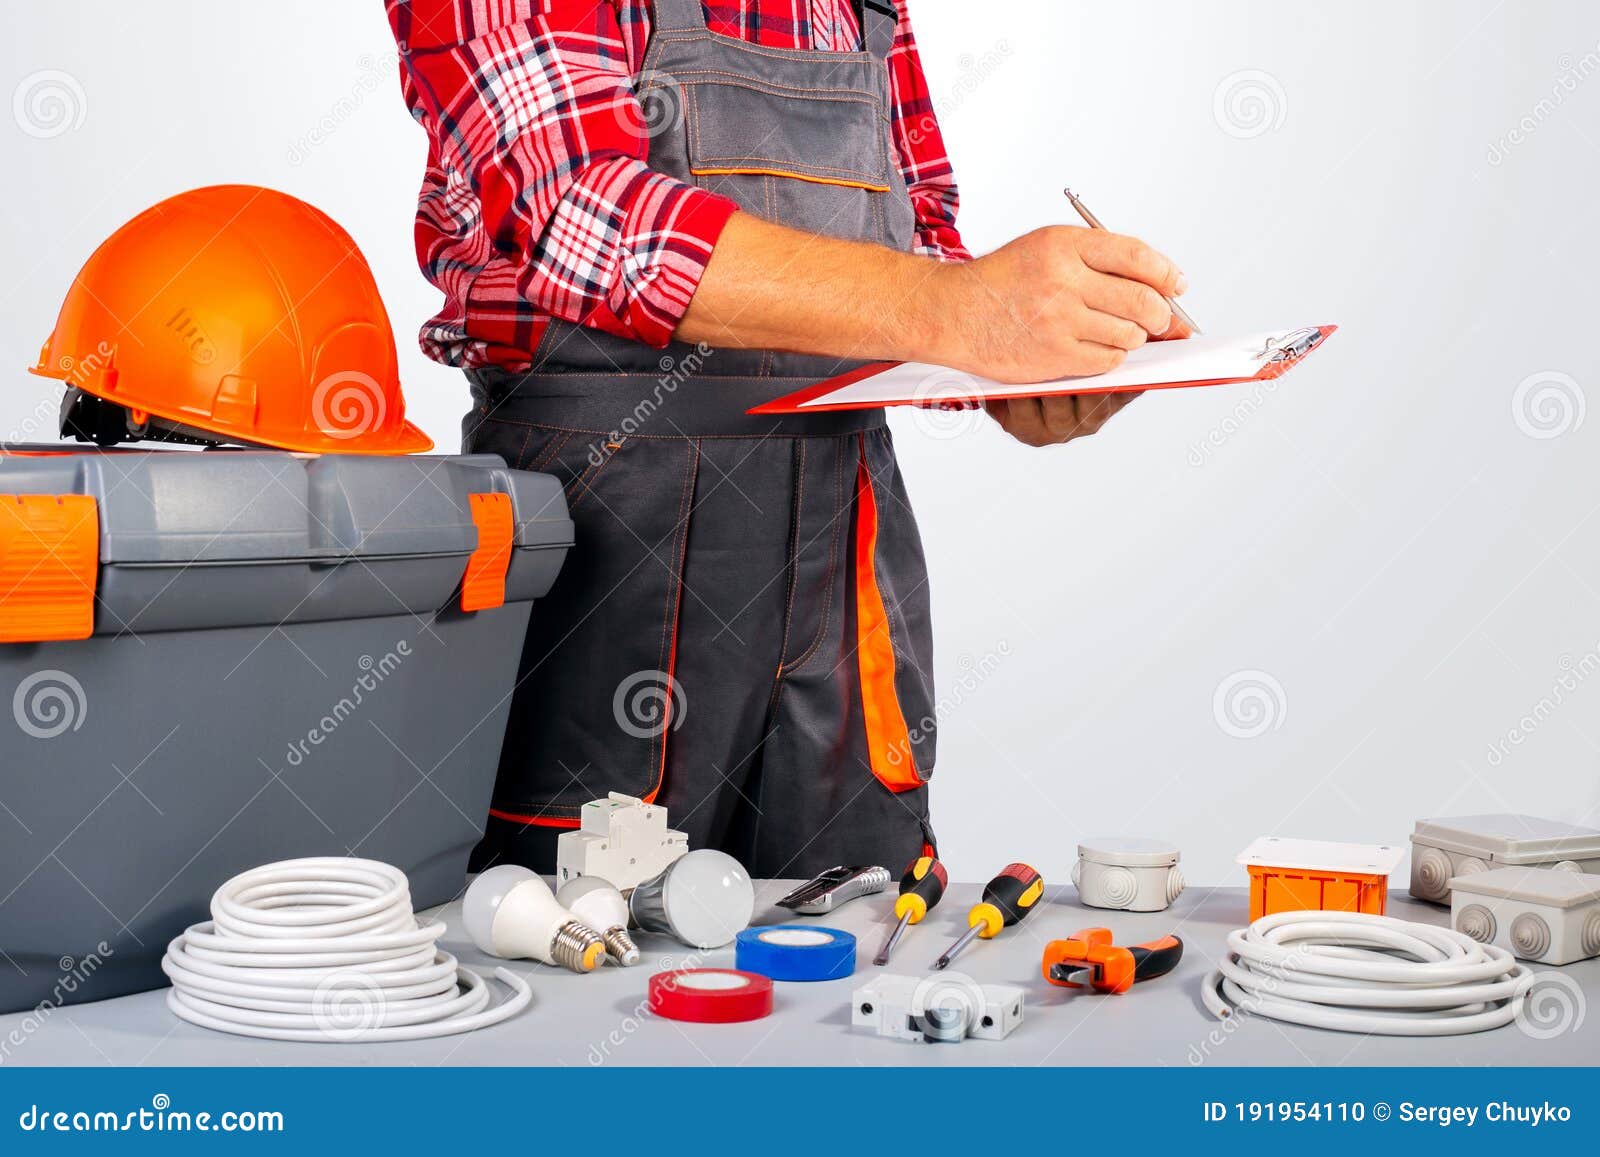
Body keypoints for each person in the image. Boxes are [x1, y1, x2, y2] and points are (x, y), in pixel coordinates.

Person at [386, 0, 1189, 878]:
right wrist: (956, 311)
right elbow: (588, 213)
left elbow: (917, 241)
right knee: (579, 929)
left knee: (857, 924)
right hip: (612, 522)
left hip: (847, 533)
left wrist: (1020, 358)